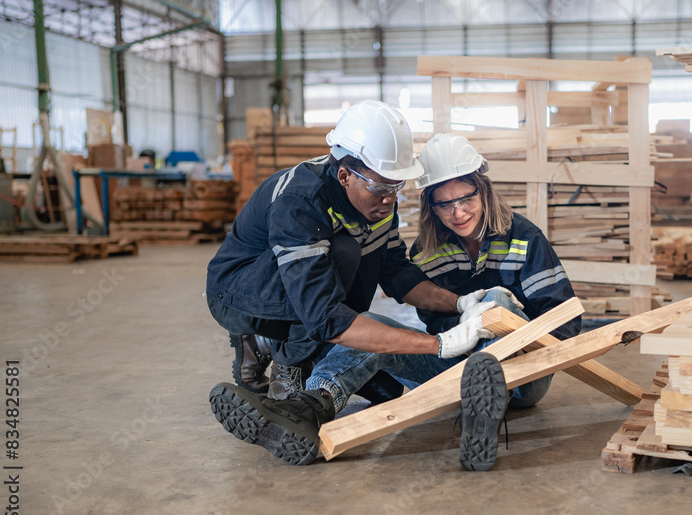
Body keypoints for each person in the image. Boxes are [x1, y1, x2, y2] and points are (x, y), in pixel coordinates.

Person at [205, 101, 499, 466]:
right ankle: (285, 362)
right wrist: (436, 344)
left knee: (384, 383)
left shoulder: (378, 200)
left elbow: (397, 275)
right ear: (345, 175)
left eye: (397, 185)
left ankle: (289, 349)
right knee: (343, 253)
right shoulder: (301, 202)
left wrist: (458, 304)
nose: (391, 198)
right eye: (381, 187)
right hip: (239, 291)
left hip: (300, 294)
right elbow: (324, 315)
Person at [410, 133, 581, 416]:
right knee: (375, 327)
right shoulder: (425, 252)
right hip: (459, 367)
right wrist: (464, 323)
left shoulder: (525, 238)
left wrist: (520, 344)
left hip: (524, 376)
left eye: (466, 199)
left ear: (484, 191)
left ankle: (486, 398)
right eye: (444, 204)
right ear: (432, 207)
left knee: (494, 302)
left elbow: (564, 317)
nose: (458, 213)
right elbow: (432, 321)